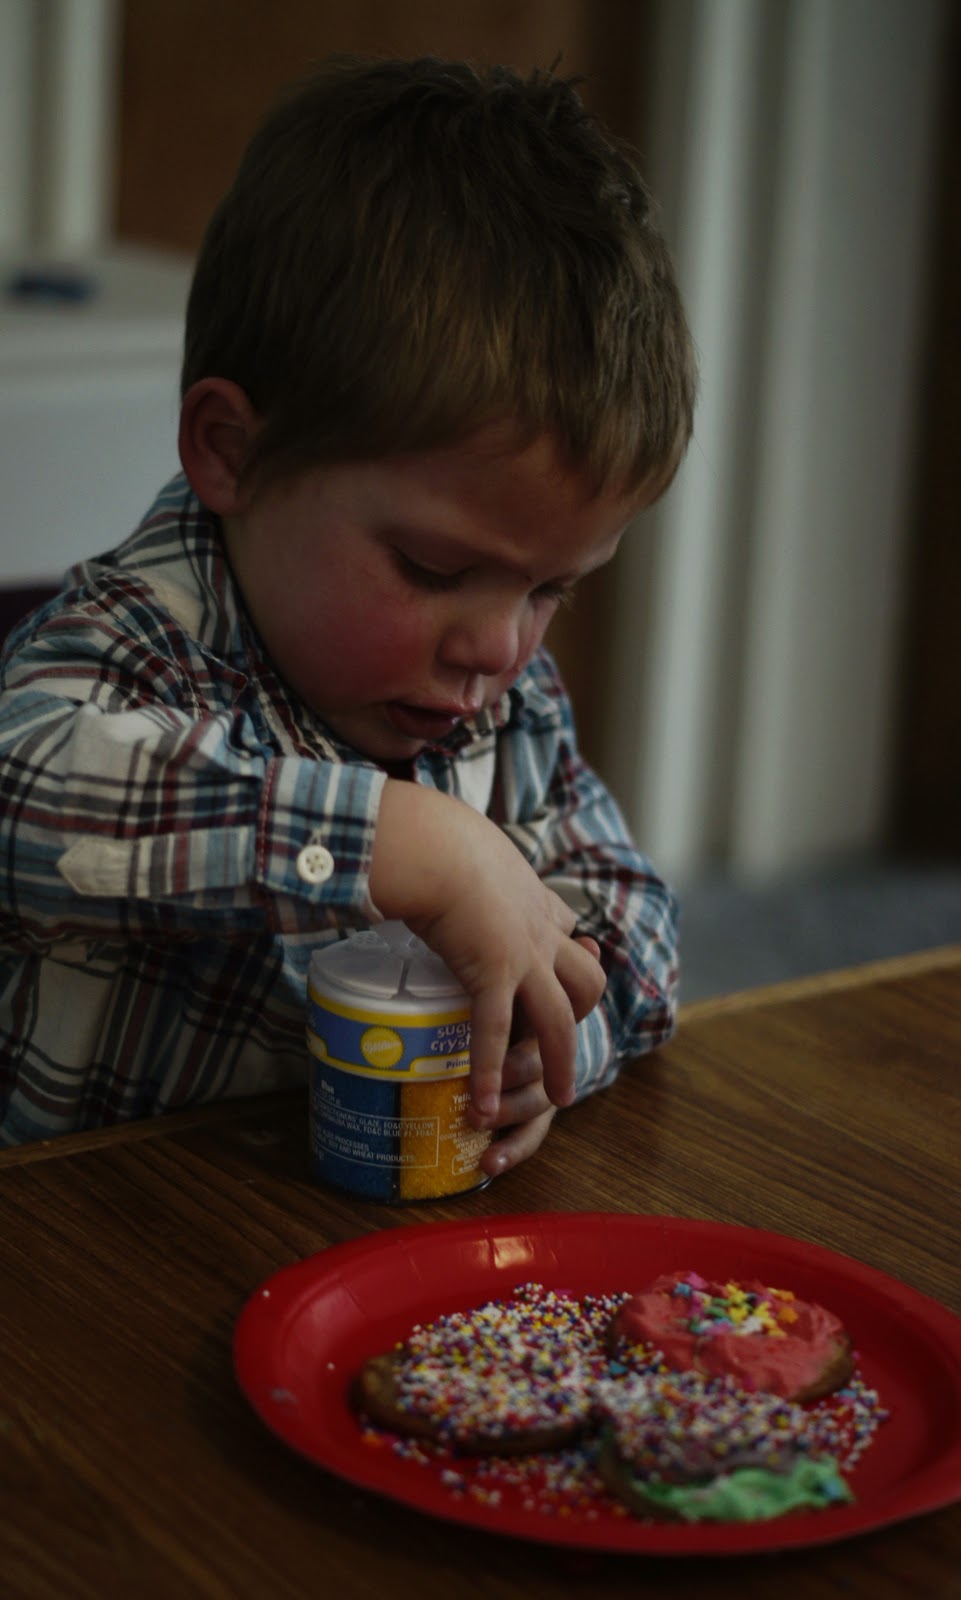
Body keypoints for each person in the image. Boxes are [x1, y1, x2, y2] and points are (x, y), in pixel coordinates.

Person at [0, 55, 696, 1165]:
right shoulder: (141, 643)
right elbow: (27, 800)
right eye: (429, 566)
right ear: (233, 452)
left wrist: (558, 1027)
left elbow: (630, 905)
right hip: (86, 1245)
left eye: (553, 588)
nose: (499, 645)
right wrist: (400, 842)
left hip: (338, 1223)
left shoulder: (498, 697)